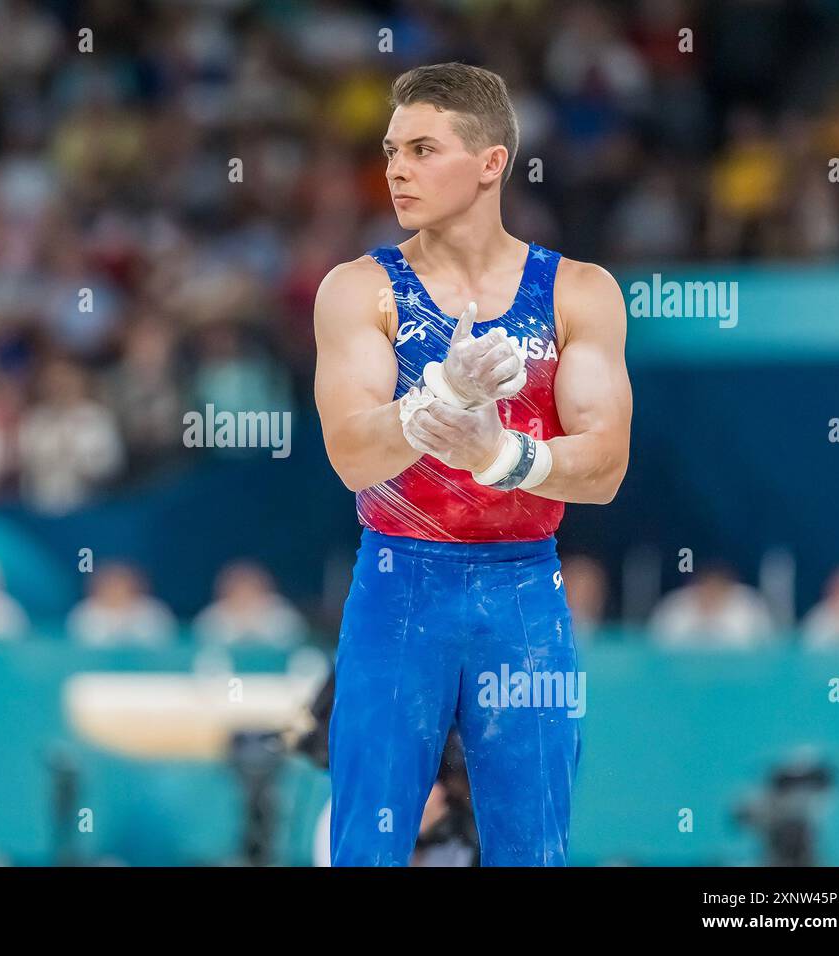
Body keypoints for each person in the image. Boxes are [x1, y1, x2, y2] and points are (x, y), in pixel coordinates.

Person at [314, 63, 631, 866]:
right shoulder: (361, 291)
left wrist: (504, 455)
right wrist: (432, 404)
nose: (396, 169)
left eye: (423, 149)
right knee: (368, 848)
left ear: (491, 163)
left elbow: (604, 468)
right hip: (398, 586)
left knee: (533, 850)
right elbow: (352, 455)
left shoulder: (578, 292)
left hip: (523, 592)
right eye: (391, 150)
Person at [648, 562, 774, 649]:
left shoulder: (749, 607)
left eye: (716, 590)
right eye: (707, 589)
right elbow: (657, 646)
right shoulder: (674, 607)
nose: (710, 595)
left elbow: (765, 647)